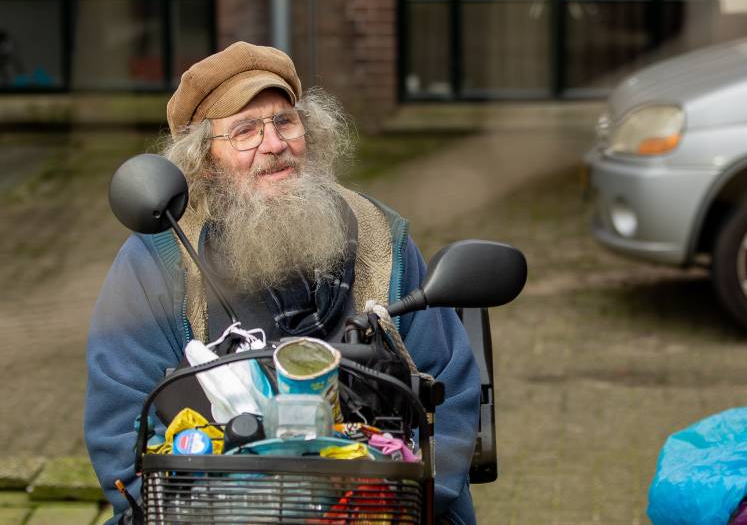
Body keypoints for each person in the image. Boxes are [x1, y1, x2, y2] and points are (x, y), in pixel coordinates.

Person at [84, 42, 480, 524]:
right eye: (246, 131)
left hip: (379, 509)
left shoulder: (380, 235)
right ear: (205, 161)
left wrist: (394, 506)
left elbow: (451, 392)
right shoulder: (160, 257)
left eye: (285, 122)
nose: (275, 145)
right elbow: (121, 425)